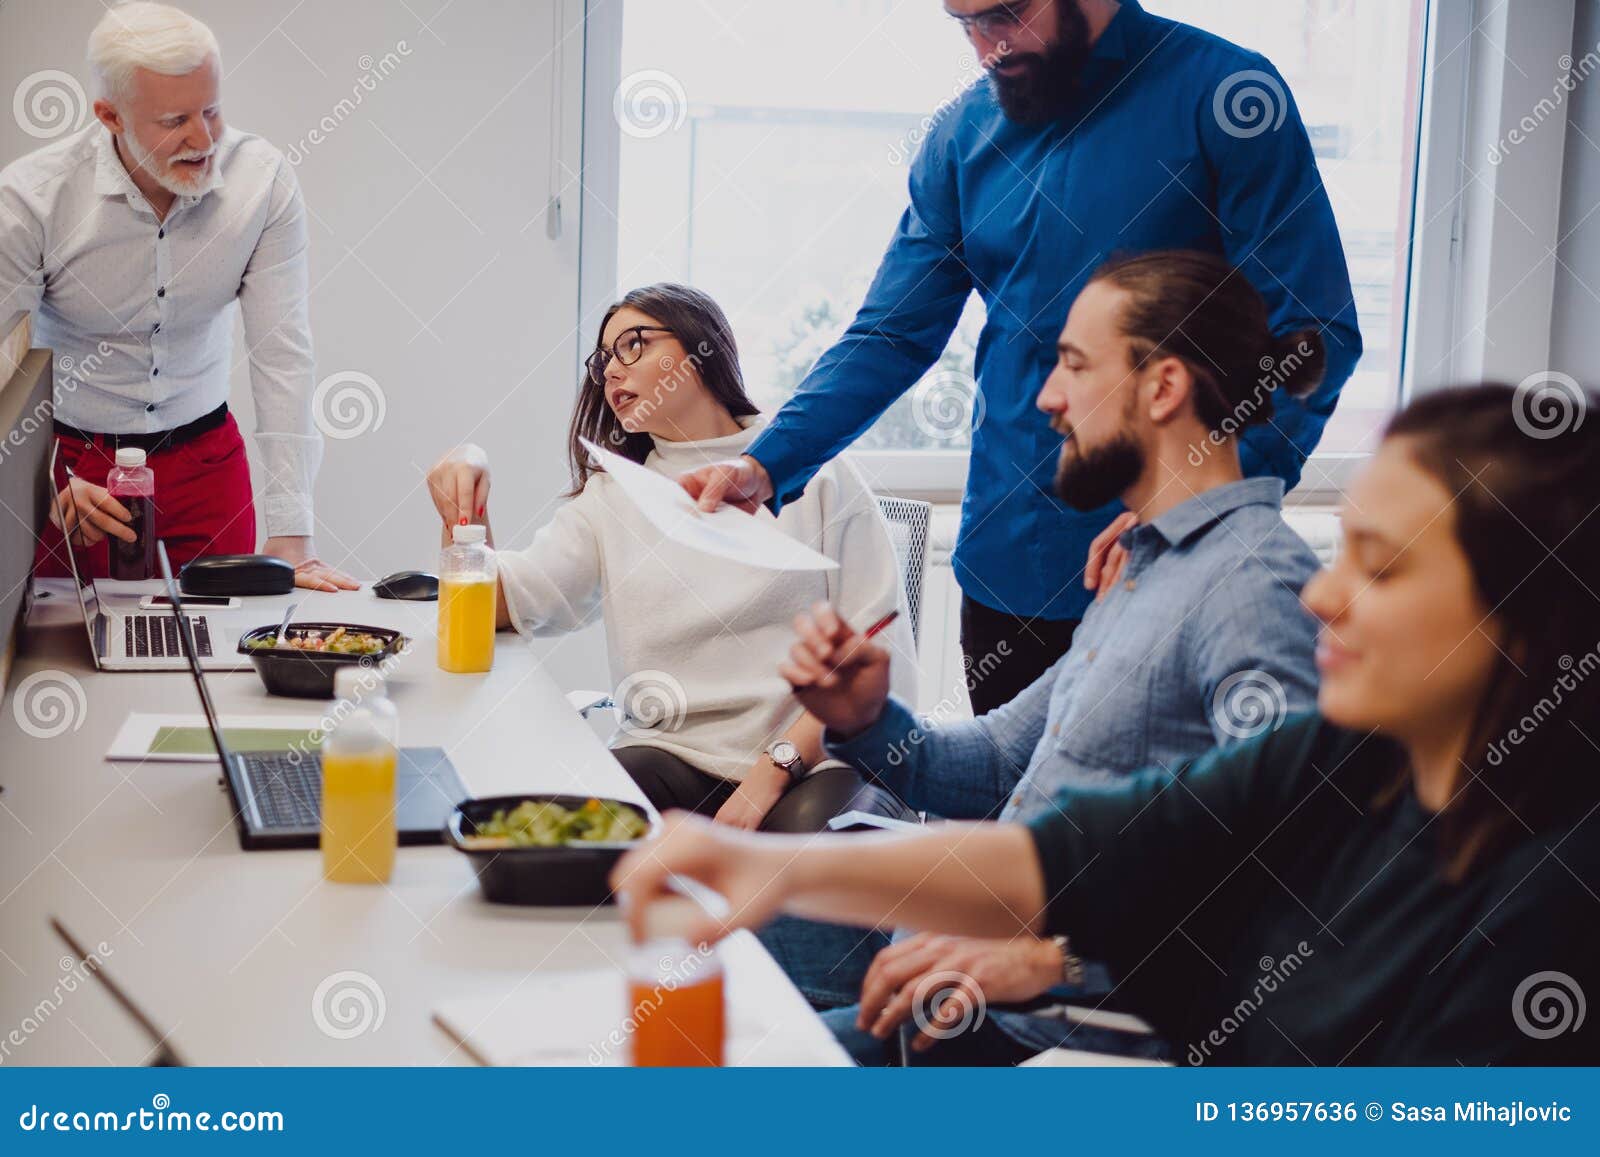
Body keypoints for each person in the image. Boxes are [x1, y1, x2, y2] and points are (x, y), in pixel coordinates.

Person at [615, 381, 1600, 1066]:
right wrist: (778, 842)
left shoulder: (1547, 909)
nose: (1322, 597)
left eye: (1378, 566)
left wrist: (1053, 962)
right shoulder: (1347, 749)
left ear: (1529, 613)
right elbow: (1084, 848)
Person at [678, 0, 1361, 714]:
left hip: (1179, 566)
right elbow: (892, 334)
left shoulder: (1227, 100)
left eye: (1006, 13)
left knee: (1165, 821)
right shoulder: (961, 138)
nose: (986, 47)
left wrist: (1205, 505)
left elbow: (1314, 333)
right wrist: (764, 463)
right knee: (1006, 812)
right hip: (1008, 569)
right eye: (965, 22)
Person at [783, 249, 1324, 1064]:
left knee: (727, 1066)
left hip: (1025, 1018)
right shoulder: (1145, 564)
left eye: (1073, 364)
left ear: (1164, 386)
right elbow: (999, 761)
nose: (1048, 397)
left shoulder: (1254, 586)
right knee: (674, 918)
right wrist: (865, 720)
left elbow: (1290, 867)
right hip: (950, 930)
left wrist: (1051, 960)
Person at [0, 3, 354, 590]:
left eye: (212, 110)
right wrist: (42, 487)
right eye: (174, 121)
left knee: (222, 655)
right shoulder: (32, 200)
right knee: (62, 662)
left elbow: (282, 354)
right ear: (110, 116)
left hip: (204, 466)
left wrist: (293, 533)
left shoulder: (261, 182)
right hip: (73, 474)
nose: (204, 139)